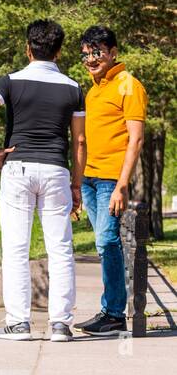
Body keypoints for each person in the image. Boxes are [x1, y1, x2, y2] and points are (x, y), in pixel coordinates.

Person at [0, 18, 85, 342]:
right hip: (55, 170)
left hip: (17, 168)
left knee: (16, 248)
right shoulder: (74, 88)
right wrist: (77, 185)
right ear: (59, 51)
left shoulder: (10, 82)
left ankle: (19, 323)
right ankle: (60, 324)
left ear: (27, 48)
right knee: (60, 248)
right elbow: (78, 142)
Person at [75, 25, 149, 335]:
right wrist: (78, 182)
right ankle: (111, 310)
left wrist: (121, 184)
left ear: (113, 52)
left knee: (108, 241)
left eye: (97, 52)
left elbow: (136, 140)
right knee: (103, 242)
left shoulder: (128, 85)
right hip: (90, 176)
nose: (91, 59)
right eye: (86, 54)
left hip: (110, 179)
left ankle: (114, 313)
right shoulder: (93, 90)